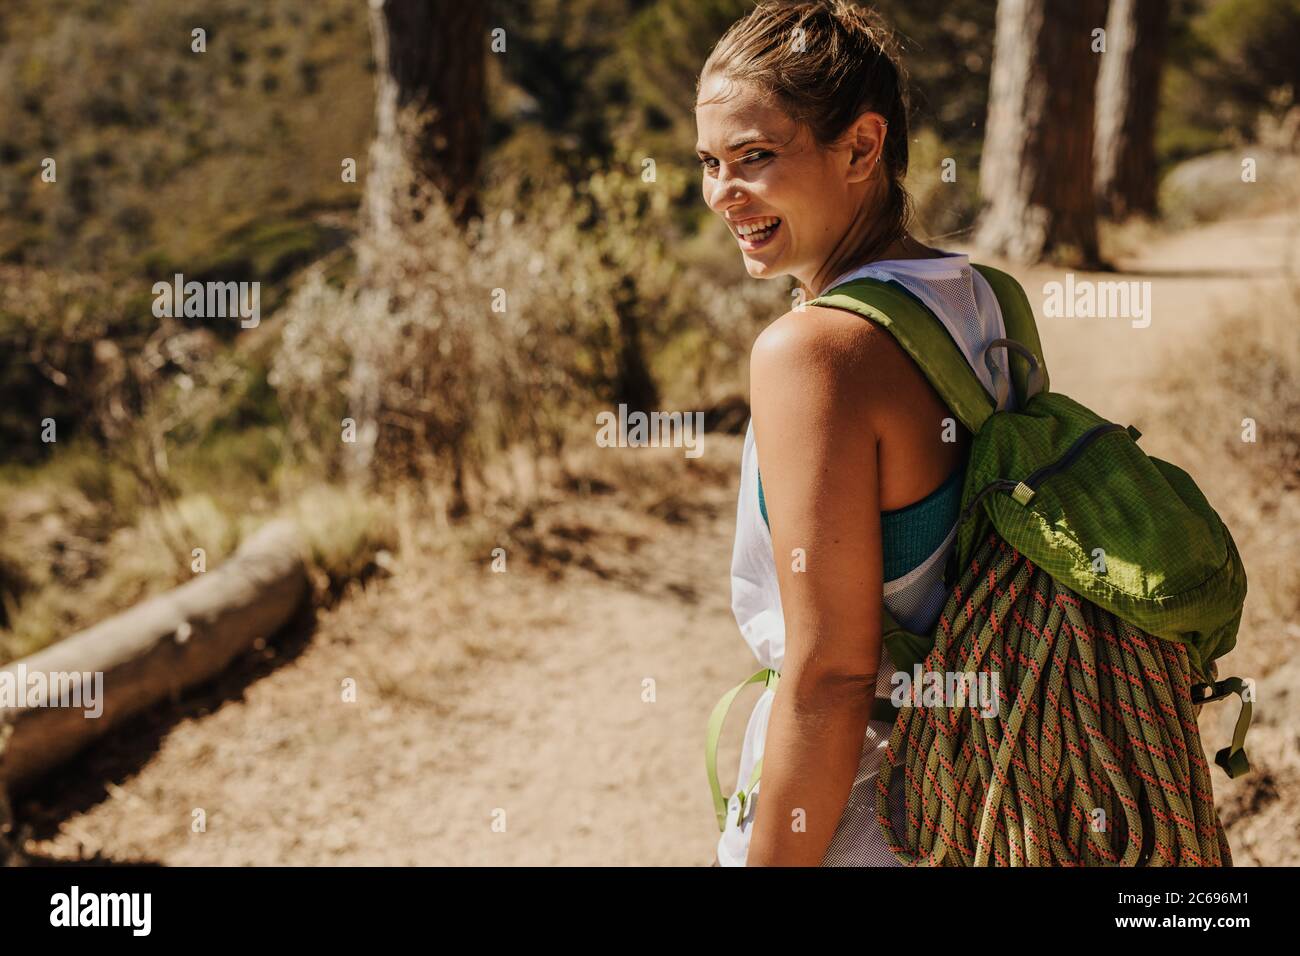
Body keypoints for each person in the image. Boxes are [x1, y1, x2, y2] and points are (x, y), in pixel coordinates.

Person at [694, 0, 1014, 866]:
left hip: (869, 808)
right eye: (710, 162)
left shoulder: (813, 351)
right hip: (990, 784)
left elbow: (832, 673)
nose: (724, 193)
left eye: (756, 157)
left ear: (863, 148)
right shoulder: (975, 296)